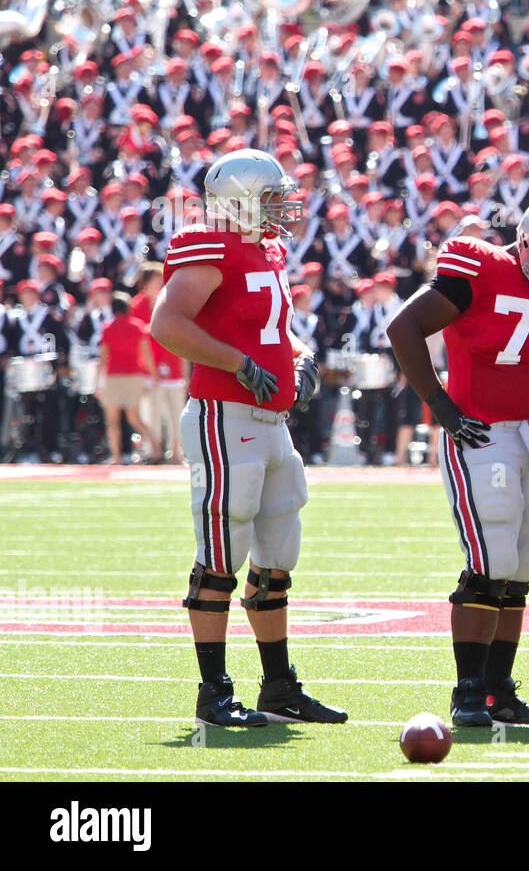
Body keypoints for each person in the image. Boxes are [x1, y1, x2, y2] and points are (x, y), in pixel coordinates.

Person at [385, 194, 529, 726]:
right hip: (481, 431)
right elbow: (403, 328)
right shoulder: (478, 266)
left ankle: (500, 692)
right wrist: (440, 406)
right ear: (524, 244)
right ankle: (468, 691)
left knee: (520, 570)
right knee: (491, 562)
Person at [150, 148, 346, 729]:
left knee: (279, 554)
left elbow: (270, 329)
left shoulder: (265, 249)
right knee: (221, 555)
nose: (282, 207)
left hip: (271, 421)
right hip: (224, 416)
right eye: (269, 197)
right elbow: (167, 324)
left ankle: (279, 686)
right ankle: (214, 693)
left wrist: (300, 358)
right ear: (235, 200)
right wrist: (236, 363)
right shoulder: (208, 245)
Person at [96, 293, 162, 466]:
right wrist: (154, 376)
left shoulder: (108, 326)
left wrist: (96, 382)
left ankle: (116, 457)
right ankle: (156, 450)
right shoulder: (137, 326)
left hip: (114, 377)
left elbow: (103, 357)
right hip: (134, 376)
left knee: (112, 420)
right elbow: (146, 354)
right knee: (135, 419)